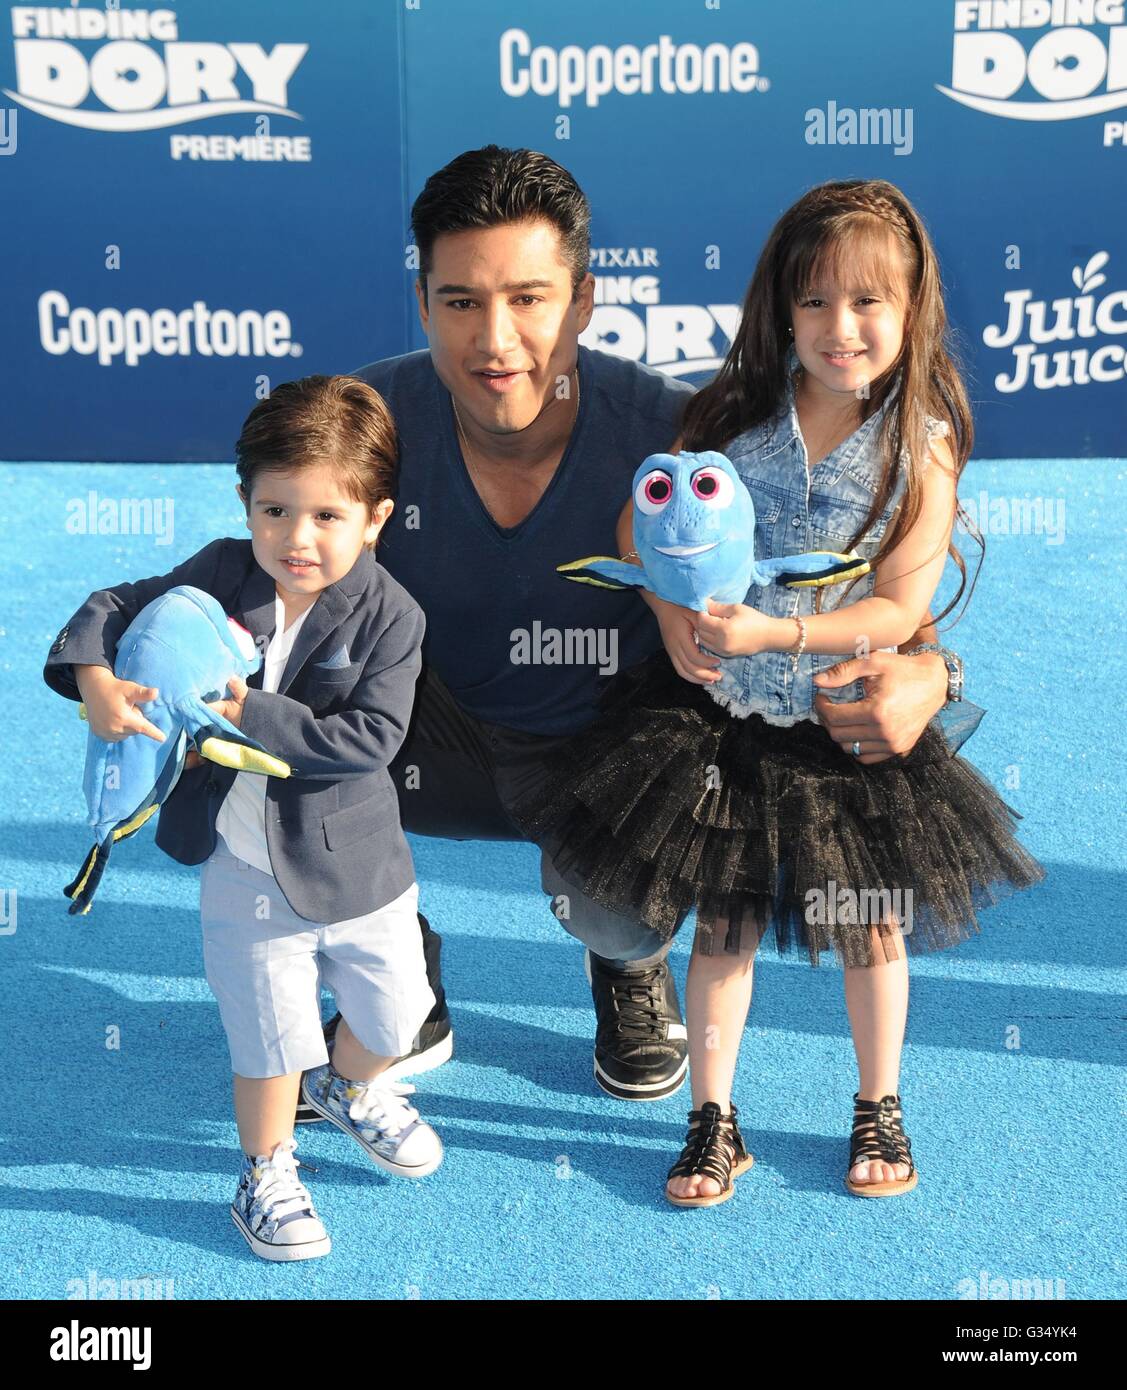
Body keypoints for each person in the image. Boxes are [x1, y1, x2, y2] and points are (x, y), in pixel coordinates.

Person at [323, 146, 969, 1112]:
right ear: (421, 302)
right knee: (259, 727)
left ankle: (626, 966)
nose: (496, 340)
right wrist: (120, 656)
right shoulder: (356, 423)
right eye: (461, 302)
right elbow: (253, 582)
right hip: (424, 737)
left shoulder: (682, 435)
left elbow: (846, 578)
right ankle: (388, 964)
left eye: (530, 299)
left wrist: (930, 672)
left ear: (583, 300)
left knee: (621, 912)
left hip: (604, 753)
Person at [511, 179, 1045, 1204]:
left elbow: (896, 608)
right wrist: (670, 612)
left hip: (845, 721)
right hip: (722, 723)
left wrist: (781, 631)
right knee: (723, 926)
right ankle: (713, 1119)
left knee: (871, 921)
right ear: (778, 310)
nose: (838, 328)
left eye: (865, 303)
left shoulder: (919, 445)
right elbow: (643, 526)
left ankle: (876, 1103)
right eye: (813, 303)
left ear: (910, 309)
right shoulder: (730, 416)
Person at [44, 376, 442, 1260]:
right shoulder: (221, 571)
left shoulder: (393, 616)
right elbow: (110, 610)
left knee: (398, 1015)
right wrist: (97, 682)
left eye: (326, 518)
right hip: (240, 862)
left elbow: (372, 737)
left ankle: (352, 1087)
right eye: (274, 511)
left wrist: (247, 710)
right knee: (268, 1037)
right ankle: (266, 1170)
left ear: (375, 518)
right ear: (245, 503)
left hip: (358, 864)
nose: (295, 540)